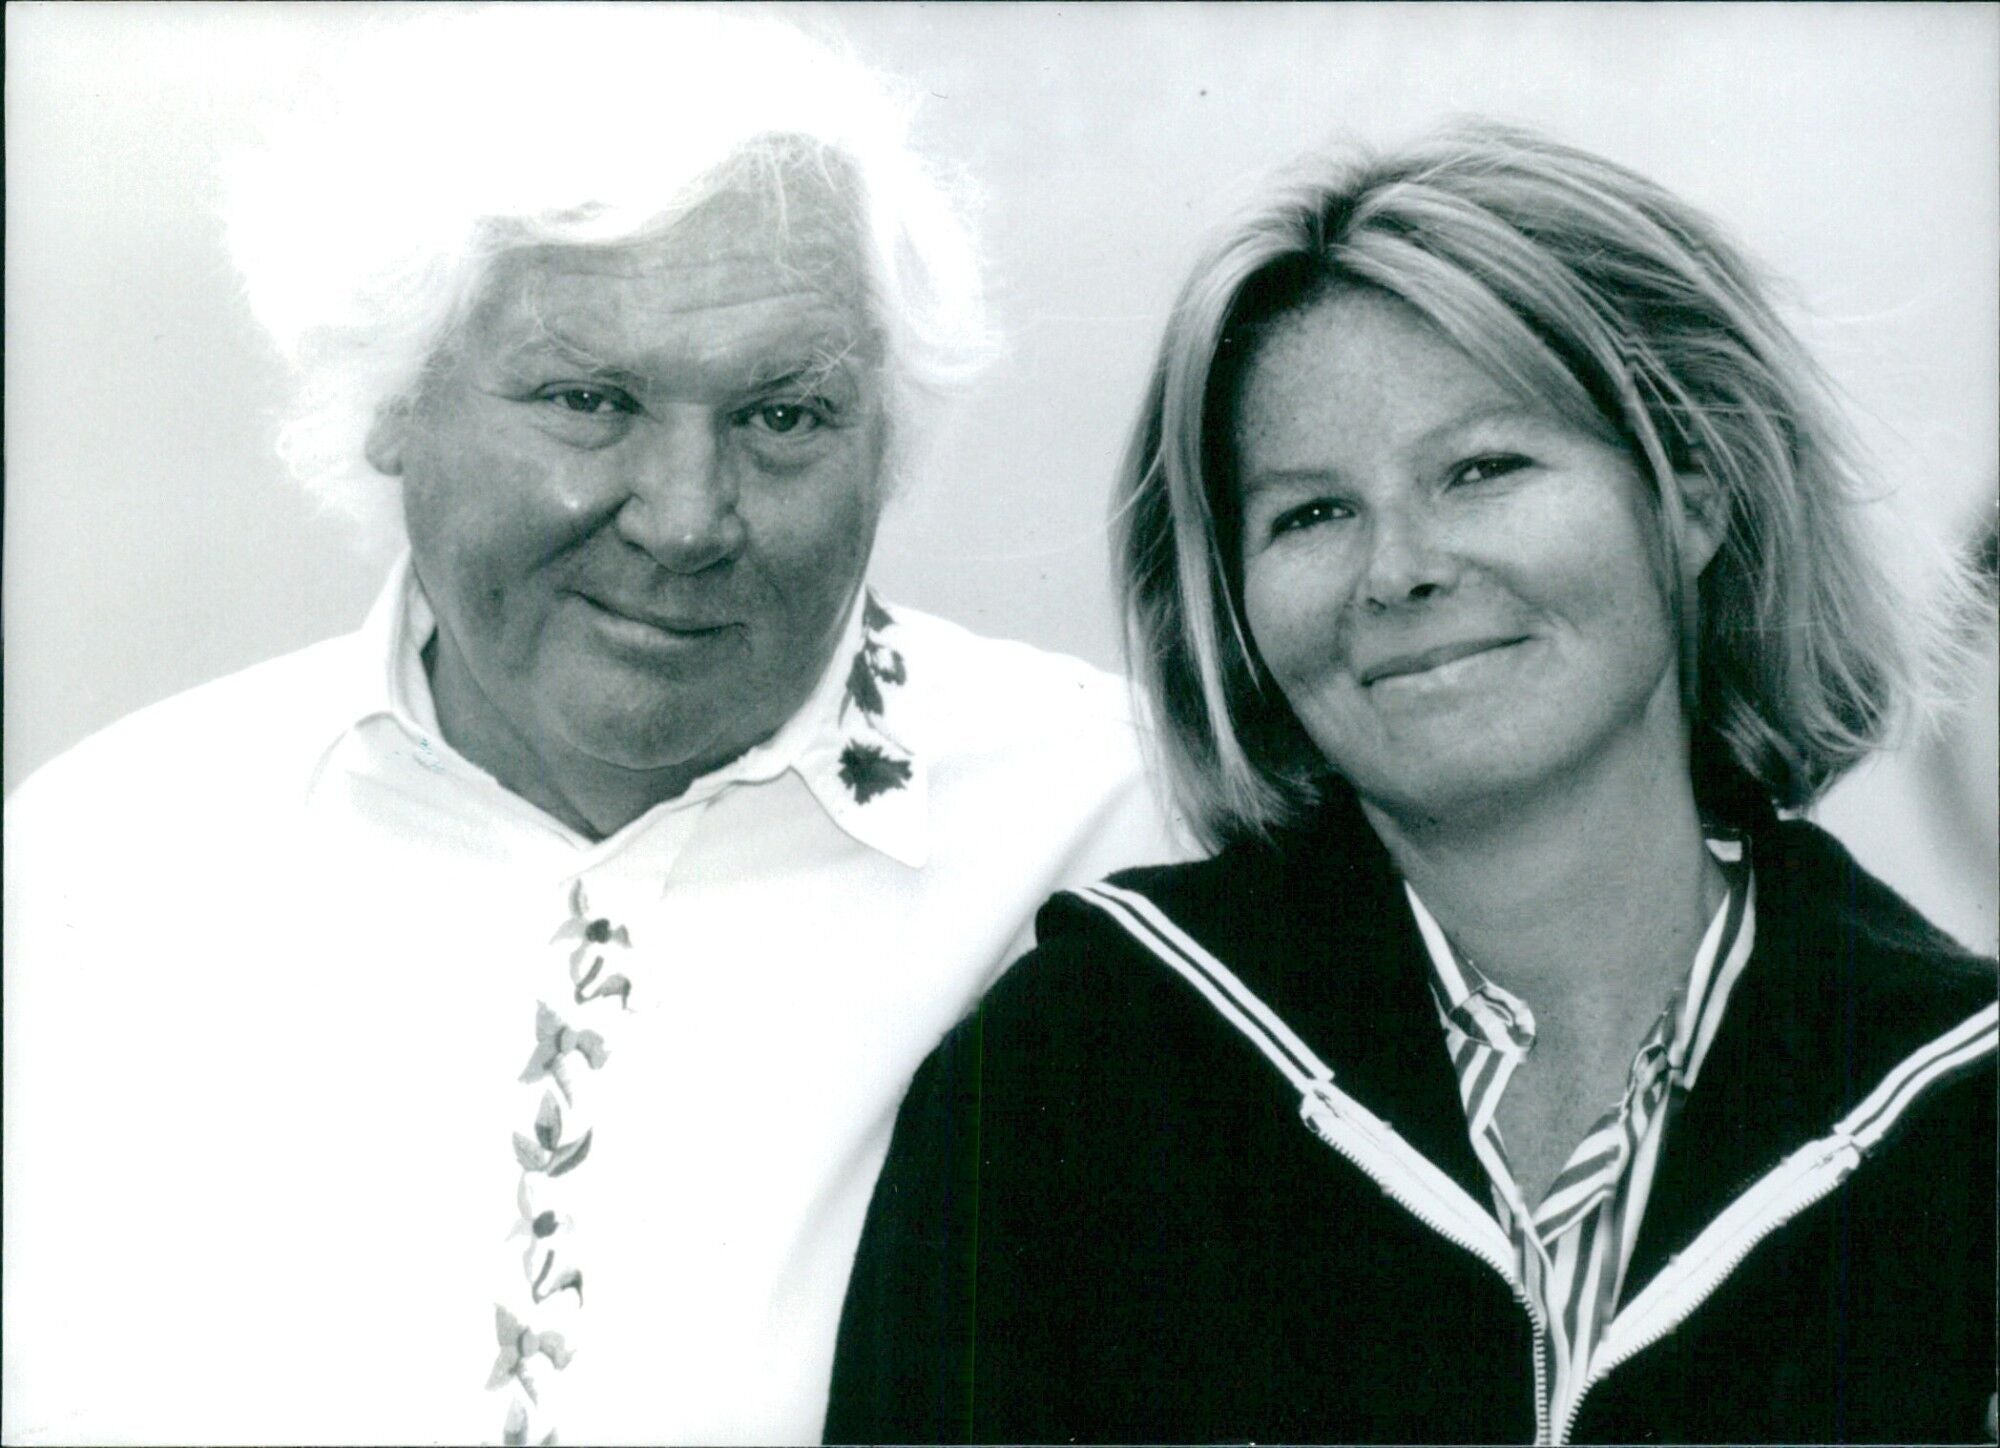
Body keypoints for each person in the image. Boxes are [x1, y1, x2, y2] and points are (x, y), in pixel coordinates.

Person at [0, 10, 1183, 1445]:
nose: (686, 517)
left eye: (784, 415)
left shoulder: (1131, 834)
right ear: (394, 405)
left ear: (889, 439)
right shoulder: (94, 870)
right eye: (588, 399)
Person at [828, 122, 1997, 1444]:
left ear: (1695, 489)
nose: (1399, 570)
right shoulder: (1076, 1078)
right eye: (1312, 513)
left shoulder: (1961, 1108)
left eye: (1482, 470)